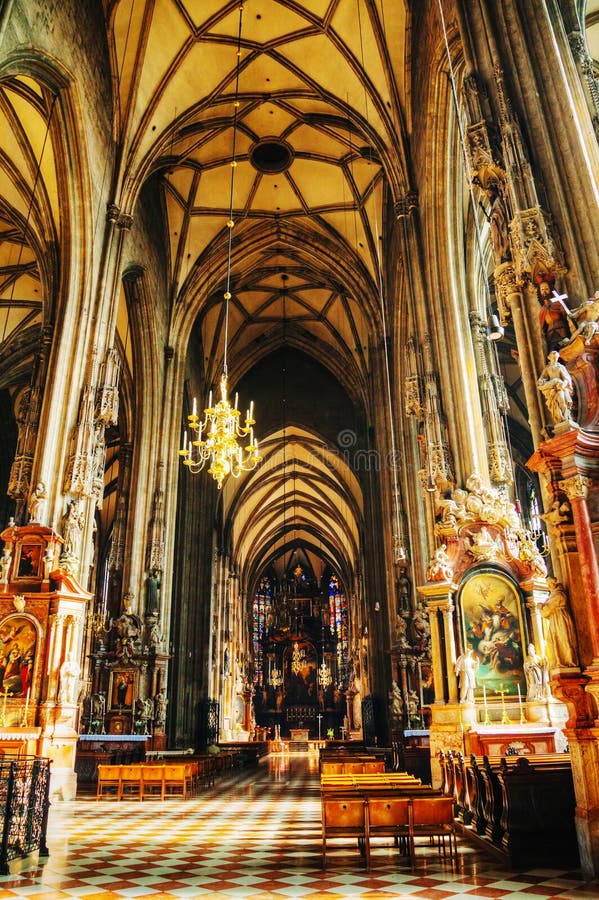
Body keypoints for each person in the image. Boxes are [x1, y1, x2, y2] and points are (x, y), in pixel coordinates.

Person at [541, 577, 578, 668]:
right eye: (548, 584)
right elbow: (547, 611)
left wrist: (541, 607)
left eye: (550, 584)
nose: (549, 586)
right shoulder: (553, 595)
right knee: (552, 640)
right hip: (554, 619)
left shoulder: (559, 594)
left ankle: (568, 662)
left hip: (560, 618)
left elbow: (548, 609)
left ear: (555, 583)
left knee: (564, 639)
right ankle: (559, 661)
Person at [537, 350, 575, 424]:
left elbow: (566, 378)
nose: (555, 359)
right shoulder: (547, 368)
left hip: (560, 386)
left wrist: (563, 384)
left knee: (562, 400)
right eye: (553, 357)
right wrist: (541, 381)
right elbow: (542, 378)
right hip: (552, 387)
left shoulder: (561, 367)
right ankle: (560, 419)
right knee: (556, 402)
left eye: (556, 357)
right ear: (549, 358)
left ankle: (565, 417)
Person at [537, 281, 573, 351]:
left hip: (561, 329)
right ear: (540, 292)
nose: (544, 291)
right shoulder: (542, 311)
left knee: (566, 347)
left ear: (551, 290)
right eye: (542, 289)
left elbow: (567, 316)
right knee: (554, 350)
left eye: (546, 289)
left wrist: (563, 310)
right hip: (550, 334)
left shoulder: (558, 303)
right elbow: (543, 327)